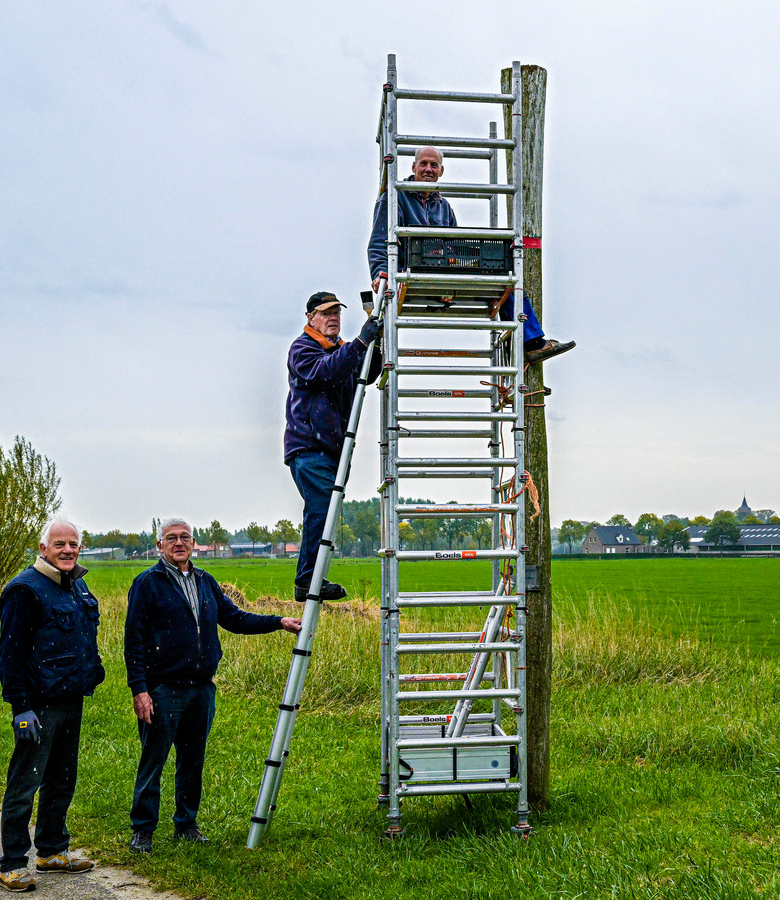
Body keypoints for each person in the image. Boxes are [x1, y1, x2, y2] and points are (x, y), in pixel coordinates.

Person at [124, 518, 301, 853]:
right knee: (154, 760)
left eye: (185, 537)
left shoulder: (205, 581)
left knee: (193, 761)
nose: (179, 543)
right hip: (163, 689)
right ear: (160, 545)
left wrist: (278, 622)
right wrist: (140, 689)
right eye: (171, 538)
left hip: (201, 689)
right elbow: (133, 640)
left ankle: (186, 825)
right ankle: (143, 831)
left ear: (194, 542)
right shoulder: (148, 583)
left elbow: (234, 618)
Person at [368, 145, 575, 364]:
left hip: (442, 271)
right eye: (424, 164)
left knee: (508, 275)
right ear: (414, 166)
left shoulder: (443, 206)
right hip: (408, 271)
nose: (428, 169)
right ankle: (529, 344)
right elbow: (379, 239)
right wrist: (380, 271)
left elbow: (455, 248)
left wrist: (466, 271)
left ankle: (527, 345)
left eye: (434, 165)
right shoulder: (395, 197)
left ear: (441, 170)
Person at [0, 518, 105, 892]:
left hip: (71, 699)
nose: (68, 550)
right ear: (43, 549)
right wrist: (20, 707)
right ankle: (12, 863)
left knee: (61, 779)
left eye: (73, 544)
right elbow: (10, 655)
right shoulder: (24, 591)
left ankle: (52, 852)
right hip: (37, 706)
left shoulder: (76, 584)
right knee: (26, 783)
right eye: (59, 544)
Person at [284, 291, 383, 601]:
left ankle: (312, 577)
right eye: (326, 313)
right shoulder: (303, 350)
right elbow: (327, 373)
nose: (333, 318)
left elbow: (363, 374)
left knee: (326, 511)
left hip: (332, 449)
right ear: (311, 318)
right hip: (309, 447)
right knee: (321, 509)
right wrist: (361, 343)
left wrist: (374, 345)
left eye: (337, 313)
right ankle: (307, 580)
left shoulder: (341, 350)